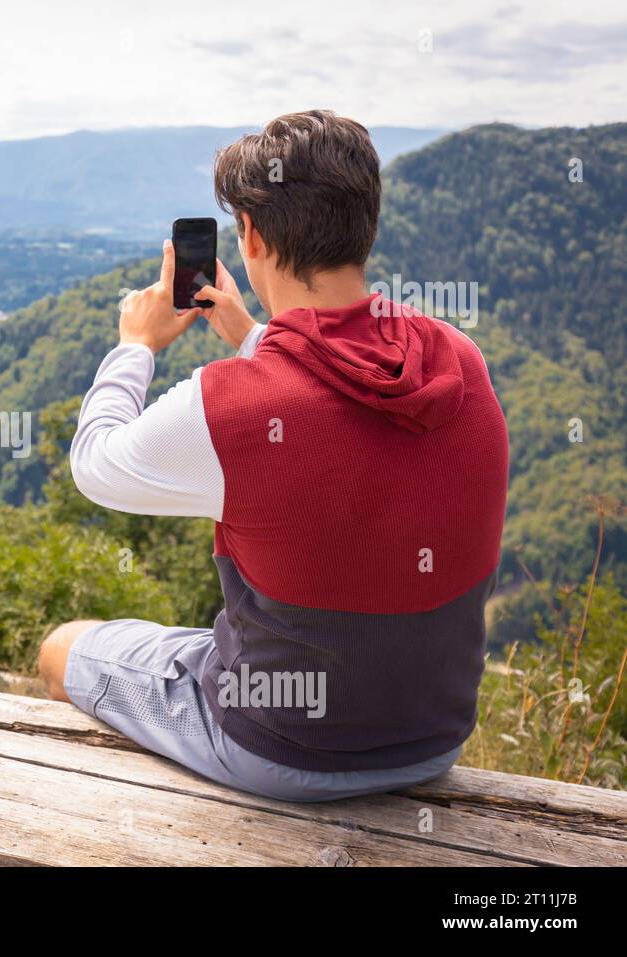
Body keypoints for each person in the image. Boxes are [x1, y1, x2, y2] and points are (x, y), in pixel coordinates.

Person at [37, 110, 509, 802]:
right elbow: (340, 399)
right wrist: (253, 334)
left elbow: (95, 462)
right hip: (433, 742)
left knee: (60, 647)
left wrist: (135, 344)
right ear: (365, 223)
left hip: (280, 744)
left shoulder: (231, 406)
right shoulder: (458, 360)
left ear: (251, 235)